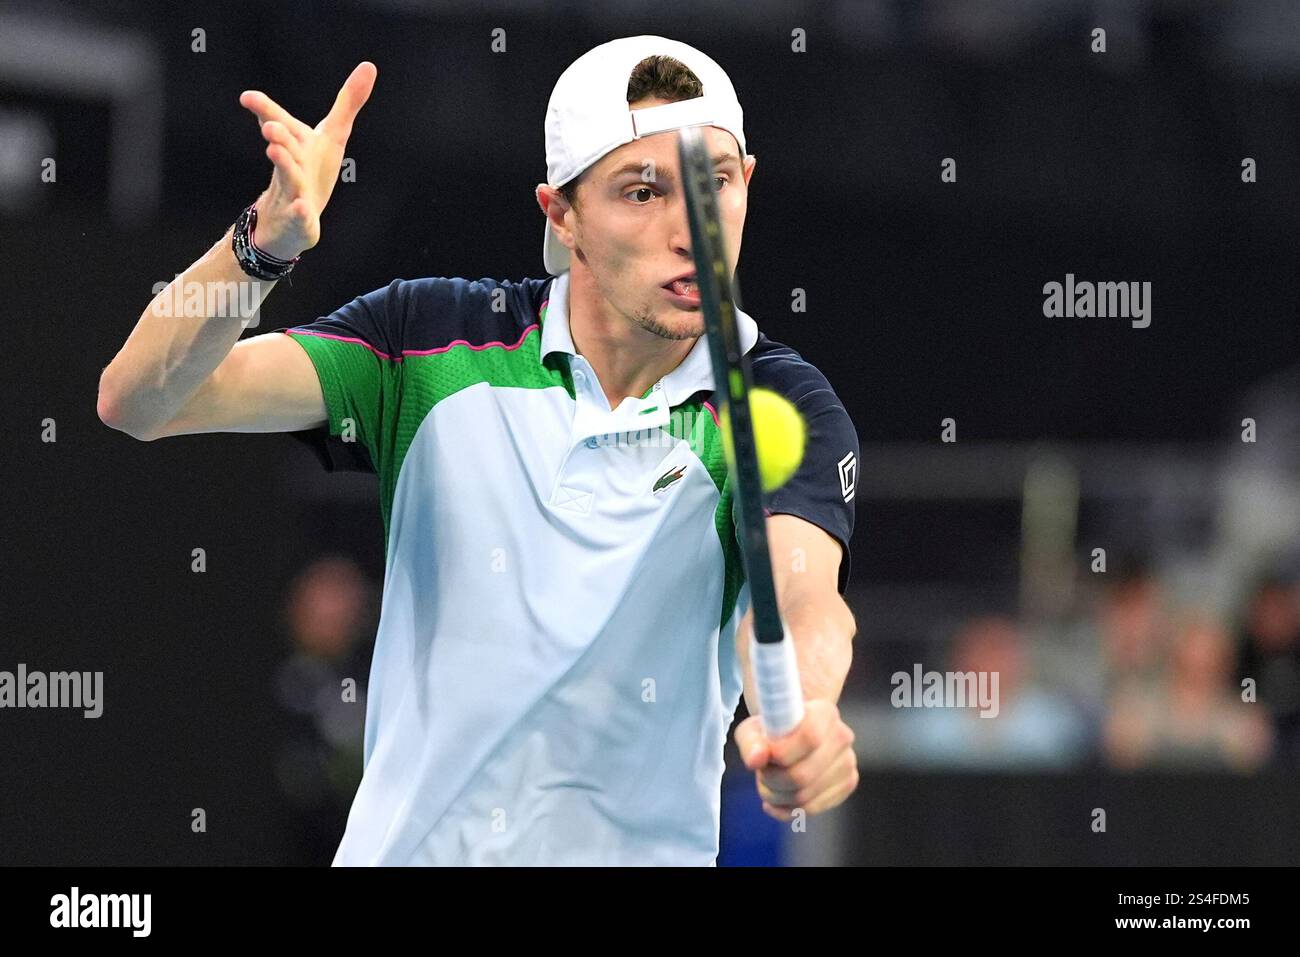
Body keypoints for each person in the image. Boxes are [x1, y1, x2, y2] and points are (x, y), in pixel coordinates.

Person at [97, 36, 861, 865]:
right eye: (642, 192)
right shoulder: (428, 341)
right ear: (561, 214)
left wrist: (807, 709)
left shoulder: (780, 405)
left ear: (745, 183)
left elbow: (801, 593)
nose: (692, 231)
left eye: (713, 183)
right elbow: (138, 401)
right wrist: (263, 245)